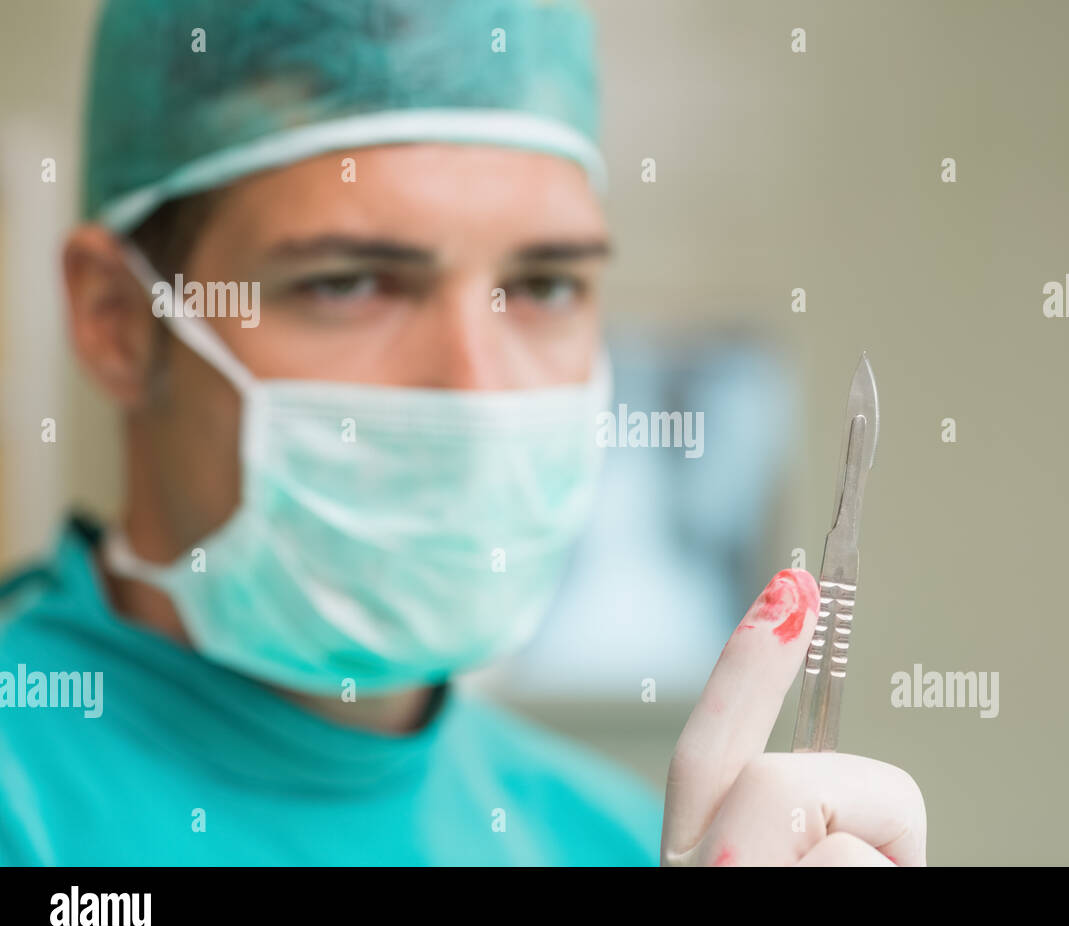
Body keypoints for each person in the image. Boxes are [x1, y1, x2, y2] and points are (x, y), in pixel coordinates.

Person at [0, 0, 926, 866]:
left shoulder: (604, 839)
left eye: (543, 287)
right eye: (351, 282)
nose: (476, 389)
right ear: (115, 317)